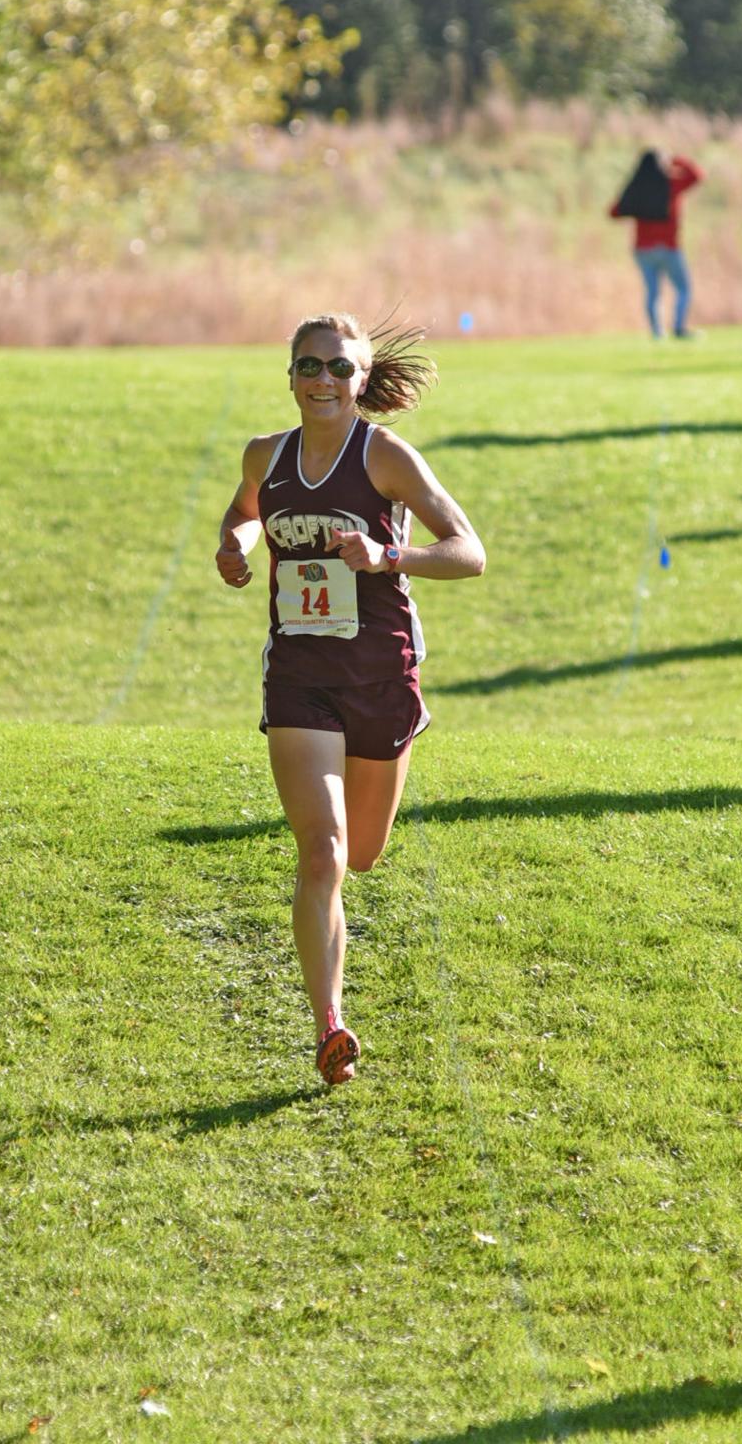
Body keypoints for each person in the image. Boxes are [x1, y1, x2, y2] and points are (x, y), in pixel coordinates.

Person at [215, 314, 486, 1084]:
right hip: (300, 676)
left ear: (361, 381)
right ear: (291, 375)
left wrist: (387, 555)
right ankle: (328, 1025)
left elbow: (469, 551)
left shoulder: (386, 457)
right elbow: (242, 515)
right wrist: (235, 546)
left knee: (361, 853)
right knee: (322, 849)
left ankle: (330, 1003)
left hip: (380, 673)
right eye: (309, 366)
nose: (323, 380)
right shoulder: (266, 456)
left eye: (339, 368)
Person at [608, 150, 703, 339]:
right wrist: (676, 158)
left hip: (643, 250)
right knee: (683, 288)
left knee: (653, 292)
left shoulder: (636, 189)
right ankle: (678, 328)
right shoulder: (670, 185)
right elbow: (696, 175)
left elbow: (614, 212)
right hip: (668, 247)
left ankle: (657, 332)